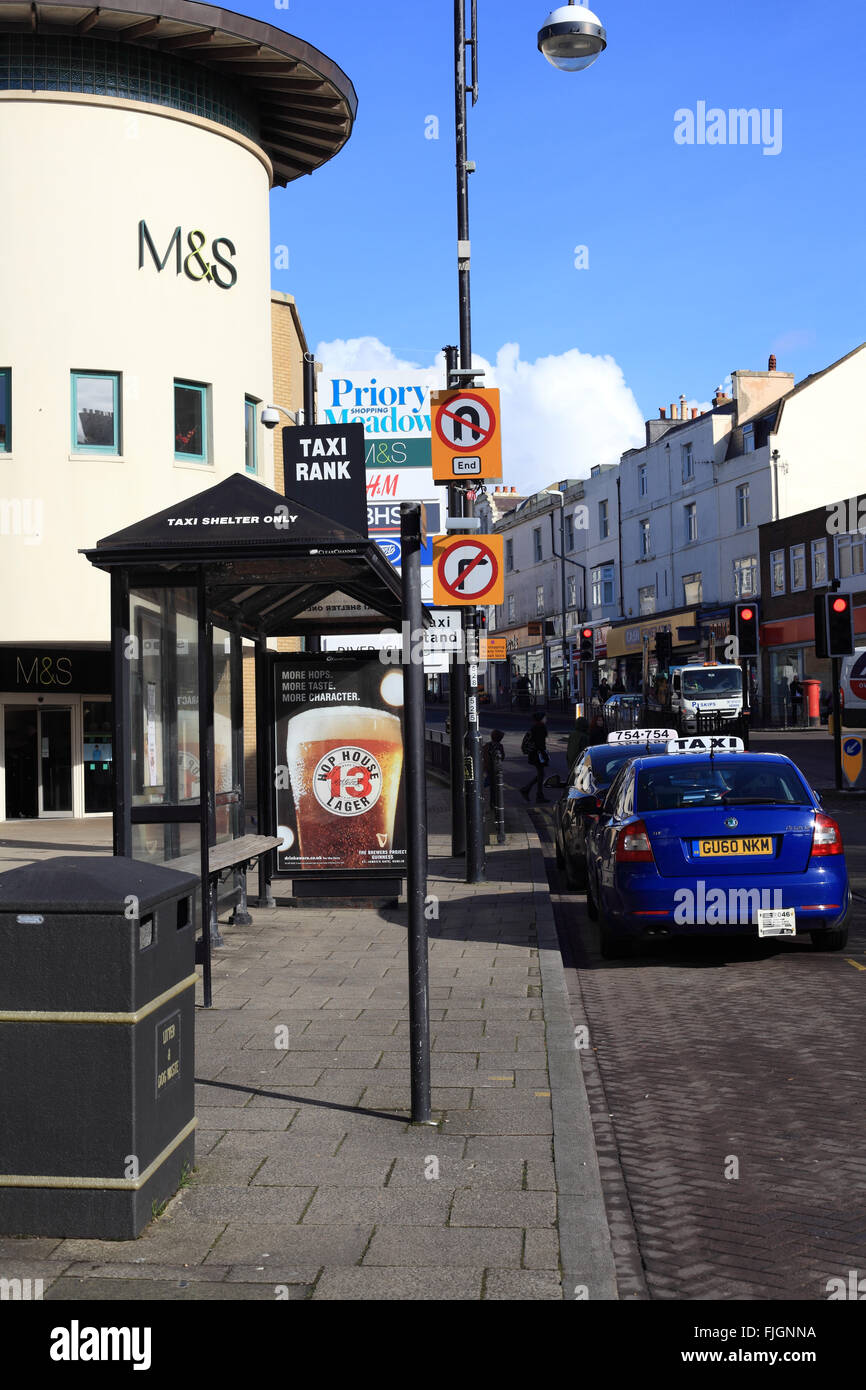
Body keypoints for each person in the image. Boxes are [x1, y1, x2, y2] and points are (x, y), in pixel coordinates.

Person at [520, 712, 549, 803]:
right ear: (541, 719)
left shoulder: (535, 727)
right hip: (537, 754)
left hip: (534, 753)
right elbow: (540, 744)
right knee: (541, 774)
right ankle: (536, 794)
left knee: (541, 774)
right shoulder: (540, 727)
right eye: (545, 717)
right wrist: (544, 755)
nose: (546, 719)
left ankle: (529, 791)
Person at [482, 729, 505, 807]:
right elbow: (502, 757)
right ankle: (494, 804)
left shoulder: (487, 745)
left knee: (491, 786)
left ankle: (492, 803)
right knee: (494, 787)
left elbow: (483, 755)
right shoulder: (500, 746)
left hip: (488, 768)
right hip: (495, 770)